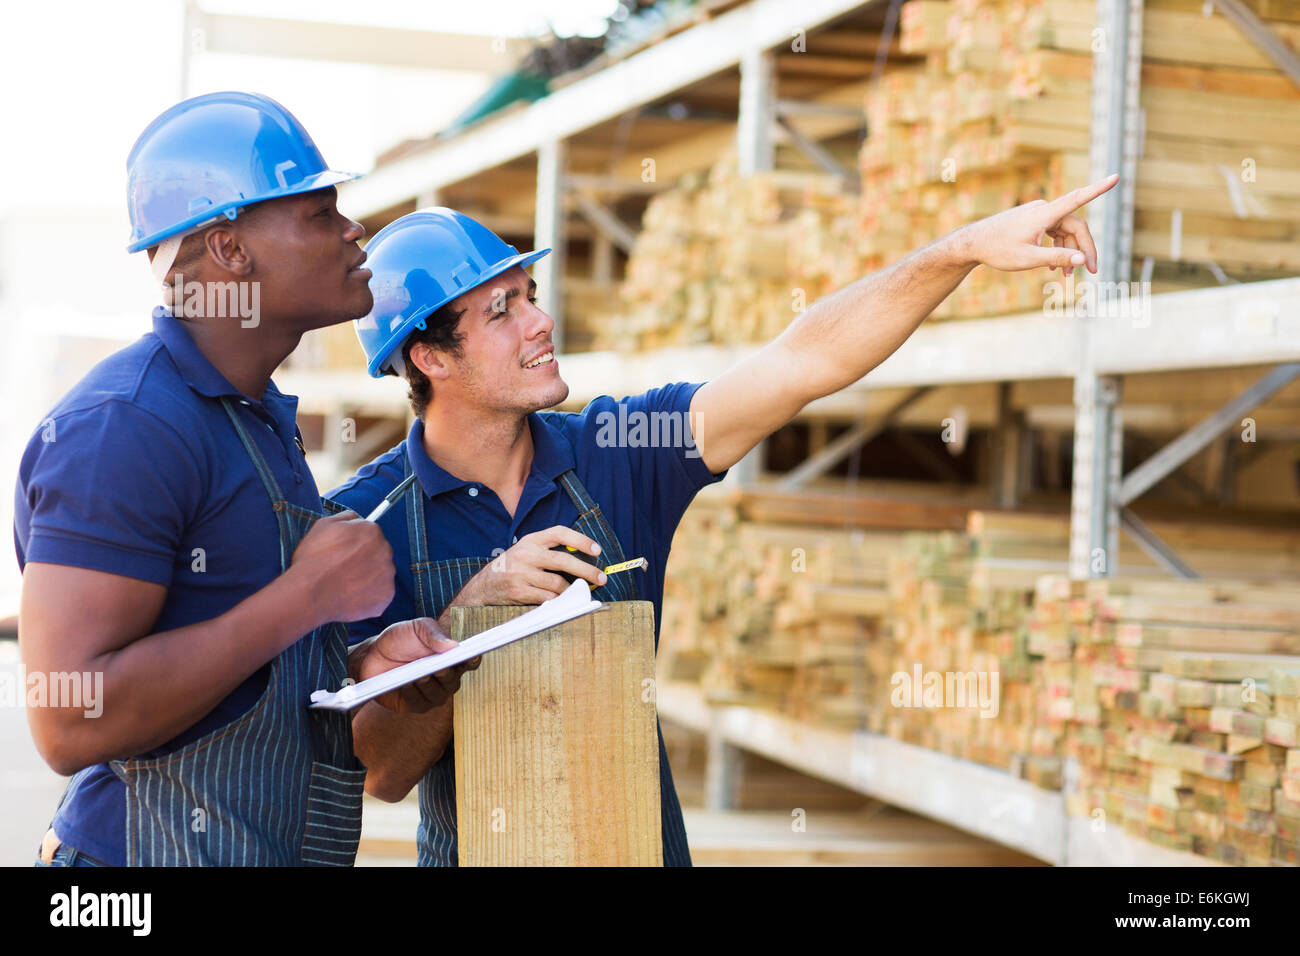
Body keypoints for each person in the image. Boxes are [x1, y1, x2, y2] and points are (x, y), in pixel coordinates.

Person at [331, 174, 1118, 866]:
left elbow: (803, 363)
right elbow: (383, 773)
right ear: (431, 357)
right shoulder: (366, 525)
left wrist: (960, 250)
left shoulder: (621, 450)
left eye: (530, 298)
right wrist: (469, 616)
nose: (539, 322)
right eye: (502, 311)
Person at [14, 91, 471, 868]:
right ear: (230, 251)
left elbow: (232, 642)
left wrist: (356, 665)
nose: (354, 230)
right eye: (320, 212)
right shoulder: (126, 427)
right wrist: (308, 598)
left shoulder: (252, 418)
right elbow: (70, 719)